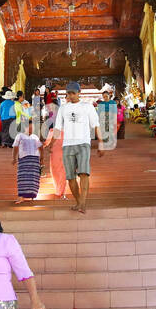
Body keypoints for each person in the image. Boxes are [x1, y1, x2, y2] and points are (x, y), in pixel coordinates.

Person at [55, 80, 102, 213]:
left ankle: (82, 202)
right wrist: (51, 143)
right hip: (67, 145)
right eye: (68, 93)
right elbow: (58, 127)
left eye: (73, 93)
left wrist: (102, 142)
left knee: (83, 173)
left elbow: (96, 124)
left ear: (79, 93)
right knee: (70, 177)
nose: (70, 95)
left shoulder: (87, 107)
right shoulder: (63, 108)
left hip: (83, 143)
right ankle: (78, 202)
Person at [12, 118, 43, 203]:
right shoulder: (20, 136)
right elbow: (15, 147)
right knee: (22, 177)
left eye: (32, 128)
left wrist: (42, 159)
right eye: (29, 127)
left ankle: (32, 195)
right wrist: (14, 158)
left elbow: (41, 148)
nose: (30, 129)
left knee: (33, 178)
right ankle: (21, 197)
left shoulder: (35, 137)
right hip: (24, 160)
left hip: (34, 160)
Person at [43, 113, 67, 199]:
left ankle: (60, 190)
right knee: (61, 171)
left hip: (57, 153)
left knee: (57, 171)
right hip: (62, 152)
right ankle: (61, 191)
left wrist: (46, 145)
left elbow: (47, 143)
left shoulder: (54, 131)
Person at [96, 87, 118, 151]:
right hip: (103, 119)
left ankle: (111, 143)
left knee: (110, 131)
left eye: (106, 96)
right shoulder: (101, 104)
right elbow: (98, 113)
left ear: (109, 96)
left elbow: (114, 112)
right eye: (104, 97)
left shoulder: (113, 102)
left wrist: (114, 120)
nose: (105, 98)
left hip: (110, 118)